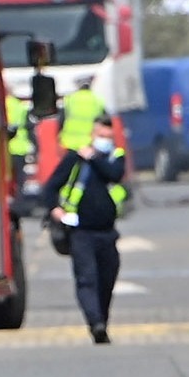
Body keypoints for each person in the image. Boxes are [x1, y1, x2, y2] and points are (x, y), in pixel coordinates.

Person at [45, 114, 128, 343]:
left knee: (107, 280)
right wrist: (54, 209)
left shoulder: (114, 158)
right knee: (87, 279)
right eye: (101, 135)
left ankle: (102, 321)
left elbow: (115, 174)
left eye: (109, 137)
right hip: (81, 232)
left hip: (107, 232)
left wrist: (94, 158)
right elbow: (50, 187)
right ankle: (95, 323)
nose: (105, 140)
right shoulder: (75, 159)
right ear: (92, 135)